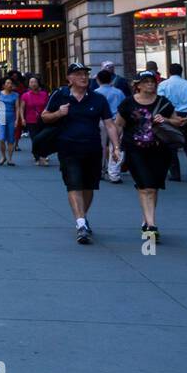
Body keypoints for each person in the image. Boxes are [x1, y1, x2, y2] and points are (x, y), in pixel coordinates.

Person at [41, 62, 121, 245]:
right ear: (69, 78)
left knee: (88, 186)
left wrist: (116, 147)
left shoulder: (98, 99)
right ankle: (81, 224)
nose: (83, 77)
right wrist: (58, 114)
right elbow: (45, 116)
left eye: (85, 74)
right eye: (78, 74)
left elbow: (109, 123)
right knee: (74, 184)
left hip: (92, 148)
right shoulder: (60, 95)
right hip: (68, 148)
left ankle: (82, 217)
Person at [117, 70, 185, 245]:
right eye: (146, 81)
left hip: (159, 151)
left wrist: (166, 120)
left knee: (153, 188)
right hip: (135, 150)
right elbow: (118, 126)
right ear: (138, 85)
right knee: (145, 186)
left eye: (152, 81)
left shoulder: (164, 103)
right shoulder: (128, 103)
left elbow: (178, 121)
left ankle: (147, 221)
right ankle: (152, 226)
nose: (150, 84)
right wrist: (115, 148)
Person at [157, 63, 187, 183]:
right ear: (181, 72)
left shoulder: (163, 85)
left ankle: (175, 174)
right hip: (186, 116)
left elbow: (161, 102)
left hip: (170, 116)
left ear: (169, 72)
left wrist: (171, 117)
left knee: (171, 146)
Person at [94, 68, 127, 183]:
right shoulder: (118, 92)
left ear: (98, 80)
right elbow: (124, 107)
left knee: (100, 147)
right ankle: (114, 174)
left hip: (101, 121)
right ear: (111, 79)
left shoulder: (96, 93)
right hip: (116, 121)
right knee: (116, 147)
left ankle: (99, 171)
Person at [21, 76, 50, 165]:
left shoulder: (44, 94)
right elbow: (22, 108)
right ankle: (38, 157)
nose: (33, 84)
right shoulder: (25, 95)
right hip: (31, 120)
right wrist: (22, 119)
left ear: (38, 83)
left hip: (43, 119)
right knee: (35, 139)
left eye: (35, 82)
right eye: (31, 82)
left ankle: (43, 156)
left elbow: (48, 106)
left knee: (44, 138)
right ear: (29, 84)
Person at [0, 78, 20, 166]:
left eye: (11, 83)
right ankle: (3, 156)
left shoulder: (16, 95)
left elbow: (17, 108)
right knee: (1, 138)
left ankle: (10, 159)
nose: (10, 85)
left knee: (11, 139)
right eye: (8, 83)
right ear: (4, 85)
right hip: (1, 117)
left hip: (11, 117)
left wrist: (17, 120)